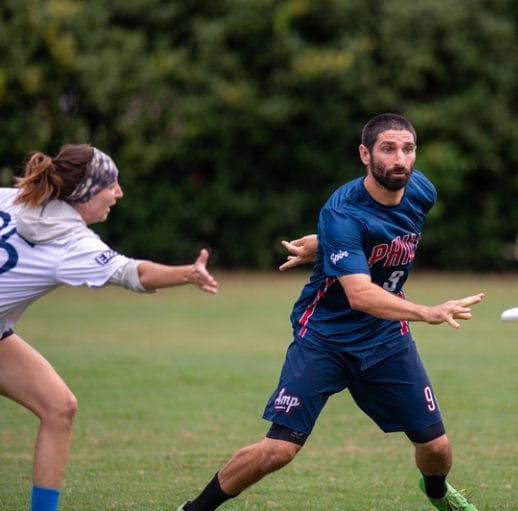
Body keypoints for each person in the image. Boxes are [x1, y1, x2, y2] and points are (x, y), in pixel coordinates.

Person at [177, 113, 484, 511]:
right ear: (364, 153)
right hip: (326, 337)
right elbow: (358, 293)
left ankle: (438, 494)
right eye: (388, 149)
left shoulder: (421, 191)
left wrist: (323, 245)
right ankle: (194, 509)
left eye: (408, 149)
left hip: (385, 338)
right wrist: (426, 311)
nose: (400, 160)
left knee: (437, 448)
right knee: (279, 450)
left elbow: (370, 233)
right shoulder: (341, 210)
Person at [0, 144, 219, 511]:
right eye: (111, 184)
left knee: (59, 406)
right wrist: (187, 273)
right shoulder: (71, 243)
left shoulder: (12, 198)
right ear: (84, 192)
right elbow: (134, 274)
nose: (119, 193)